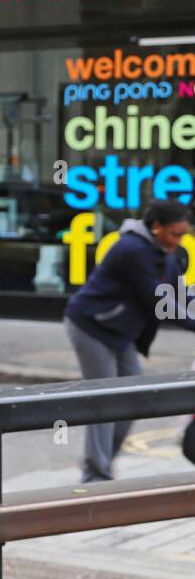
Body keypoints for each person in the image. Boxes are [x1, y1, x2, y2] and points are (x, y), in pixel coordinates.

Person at [64, 198, 192, 482]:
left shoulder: (164, 250)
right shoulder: (132, 250)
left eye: (184, 234)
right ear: (156, 226)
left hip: (120, 334)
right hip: (91, 327)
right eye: (176, 233)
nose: (180, 240)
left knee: (135, 400)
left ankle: (99, 460)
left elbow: (178, 293)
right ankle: (95, 475)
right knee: (104, 401)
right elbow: (163, 303)